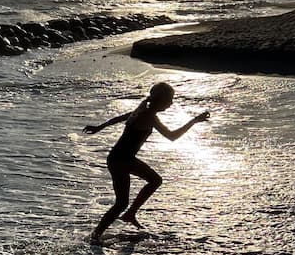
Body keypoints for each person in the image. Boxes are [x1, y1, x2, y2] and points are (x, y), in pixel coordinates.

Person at [83, 81, 209, 242]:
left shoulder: (142, 110)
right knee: (149, 184)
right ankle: (108, 228)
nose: (171, 103)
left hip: (119, 158)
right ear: (161, 100)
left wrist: (99, 127)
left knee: (125, 200)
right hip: (122, 160)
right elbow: (172, 136)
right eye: (169, 100)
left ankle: (104, 230)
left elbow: (119, 118)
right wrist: (194, 121)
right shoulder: (149, 116)